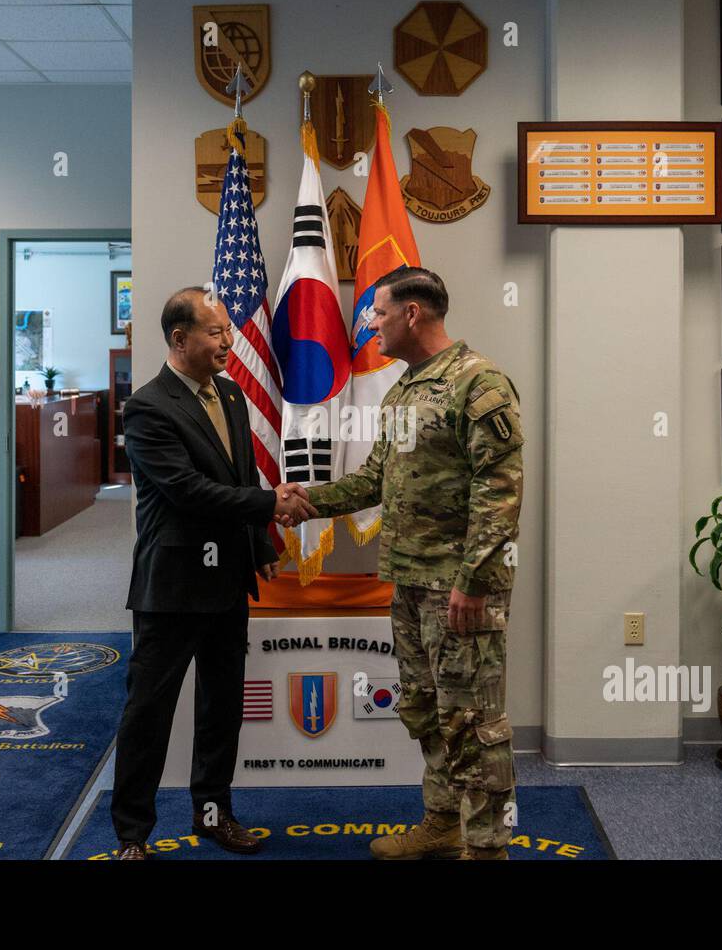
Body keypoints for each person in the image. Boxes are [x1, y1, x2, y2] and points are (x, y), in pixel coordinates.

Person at [304, 267, 523, 861]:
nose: (369, 323)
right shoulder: (404, 389)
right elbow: (376, 477)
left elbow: (499, 493)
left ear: (412, 314)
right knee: (427, 711)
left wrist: (474, 584)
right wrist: (303, 503)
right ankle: (442, 823)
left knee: (476, 724)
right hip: (408, 582)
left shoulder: (478, 384)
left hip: (459, 588)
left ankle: (487, 850)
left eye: (377, 312)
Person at [110, 286, 316, 861]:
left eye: (227, 330)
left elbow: (238, 472)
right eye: (216, 332)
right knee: (149, 713)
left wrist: (258, 545)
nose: (229, 340)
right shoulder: (147, 405)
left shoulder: (229, 393)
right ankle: (132, 834)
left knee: (221, 708)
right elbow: (186, 491)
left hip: (227, 581)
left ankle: (213, 812)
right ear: (180, 339)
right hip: (172, 586)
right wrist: (269, 504)